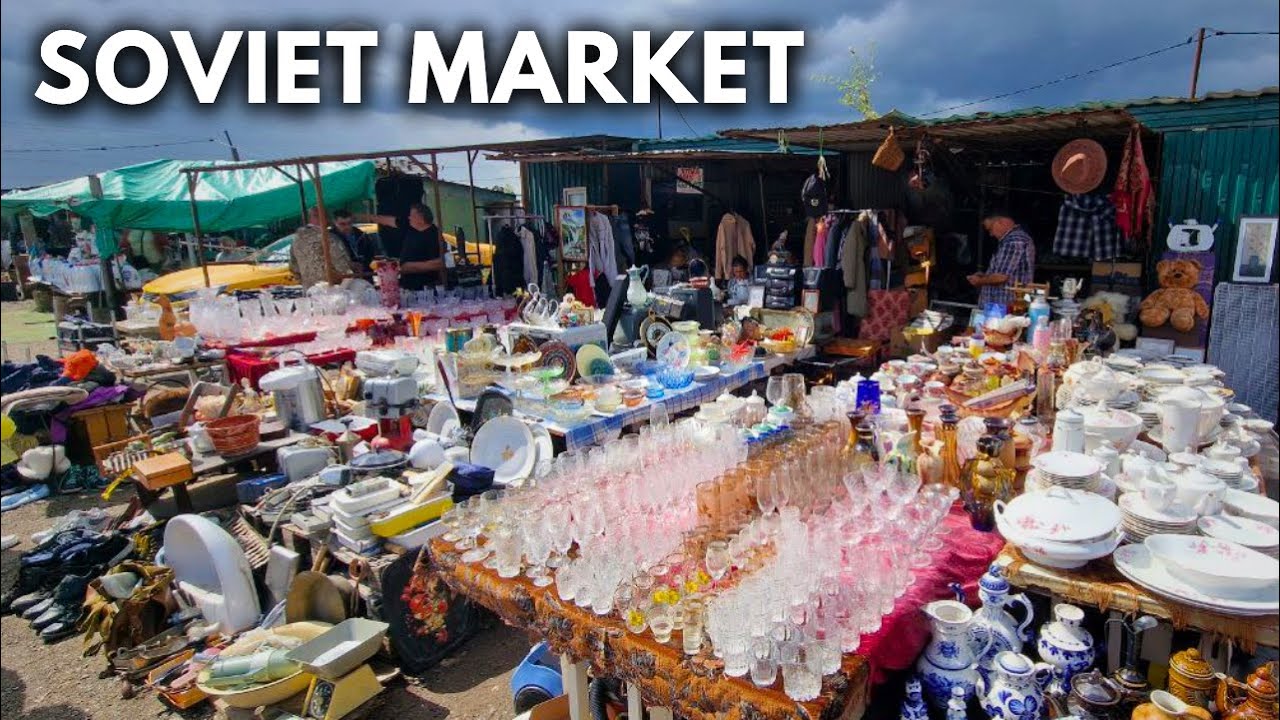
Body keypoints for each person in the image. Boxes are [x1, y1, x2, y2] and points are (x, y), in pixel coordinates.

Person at [358, 203, 443, 291]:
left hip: (425, 287)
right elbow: (388, 220)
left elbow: (438, 263)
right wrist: (364, 217)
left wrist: (408, 267)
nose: (409, 217)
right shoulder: (410, 227)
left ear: (420, 218)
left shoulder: (434, 236)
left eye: (411, 215)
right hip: (407, 284)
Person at [968, 213, 1035, 310]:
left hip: (1004, 307)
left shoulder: (1014, 241)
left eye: (990, 229)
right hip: (1002, 307)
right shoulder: (1013, 240)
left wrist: (980, 281)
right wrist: (985, 276)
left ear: (1001, 222)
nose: (991, 234)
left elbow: (1001, 277)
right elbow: (1006, 272)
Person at [290, 207, 358, 288]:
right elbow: (343, 267)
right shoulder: (329, 238)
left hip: (309, 289)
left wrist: (304, 281)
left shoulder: (297, 239)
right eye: (325, 216)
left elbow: (293, 266)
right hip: (330, 289)